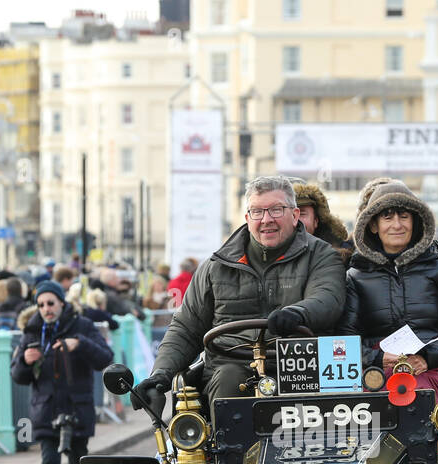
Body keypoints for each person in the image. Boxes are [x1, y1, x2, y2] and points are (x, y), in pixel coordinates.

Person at [135, 175, 345, 412]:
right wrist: (161, 374)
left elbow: (328, 297)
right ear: (247, 218)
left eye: (276, 210)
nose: (267, 220)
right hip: (232, 365)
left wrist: (298, 313)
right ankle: (228, 449)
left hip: (300, 364)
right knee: (228, 380)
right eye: (257, 212)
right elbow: (186, 327)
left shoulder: (321, 255)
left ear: (295, 215)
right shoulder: (216, 265)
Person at [340, 180, 438, 452]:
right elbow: (343, 337)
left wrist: (427, 357)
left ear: (416, 221)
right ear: (373, 225)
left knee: (422, 395)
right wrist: (376, 359)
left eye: (404, 216)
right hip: (377, 370)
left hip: (437, 366)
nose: (396, 224)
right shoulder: (354, 276)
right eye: (387, 217)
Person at [10, 280, 114, 464]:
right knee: (49, 461)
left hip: (77, 405)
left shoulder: (83, 326)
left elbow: (105, 358)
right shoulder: (31, 332)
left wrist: (79, 344)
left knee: (78, 462)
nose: (46, 308)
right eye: (41, 304)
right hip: (46, 408)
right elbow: (18, 375)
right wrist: (24, 361)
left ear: (62, 303)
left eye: (51, 303)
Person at [292, 181, 349, 252]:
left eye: (302, 214)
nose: (296, 221)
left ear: (316, 221)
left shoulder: (337, 257)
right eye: (291, 215)